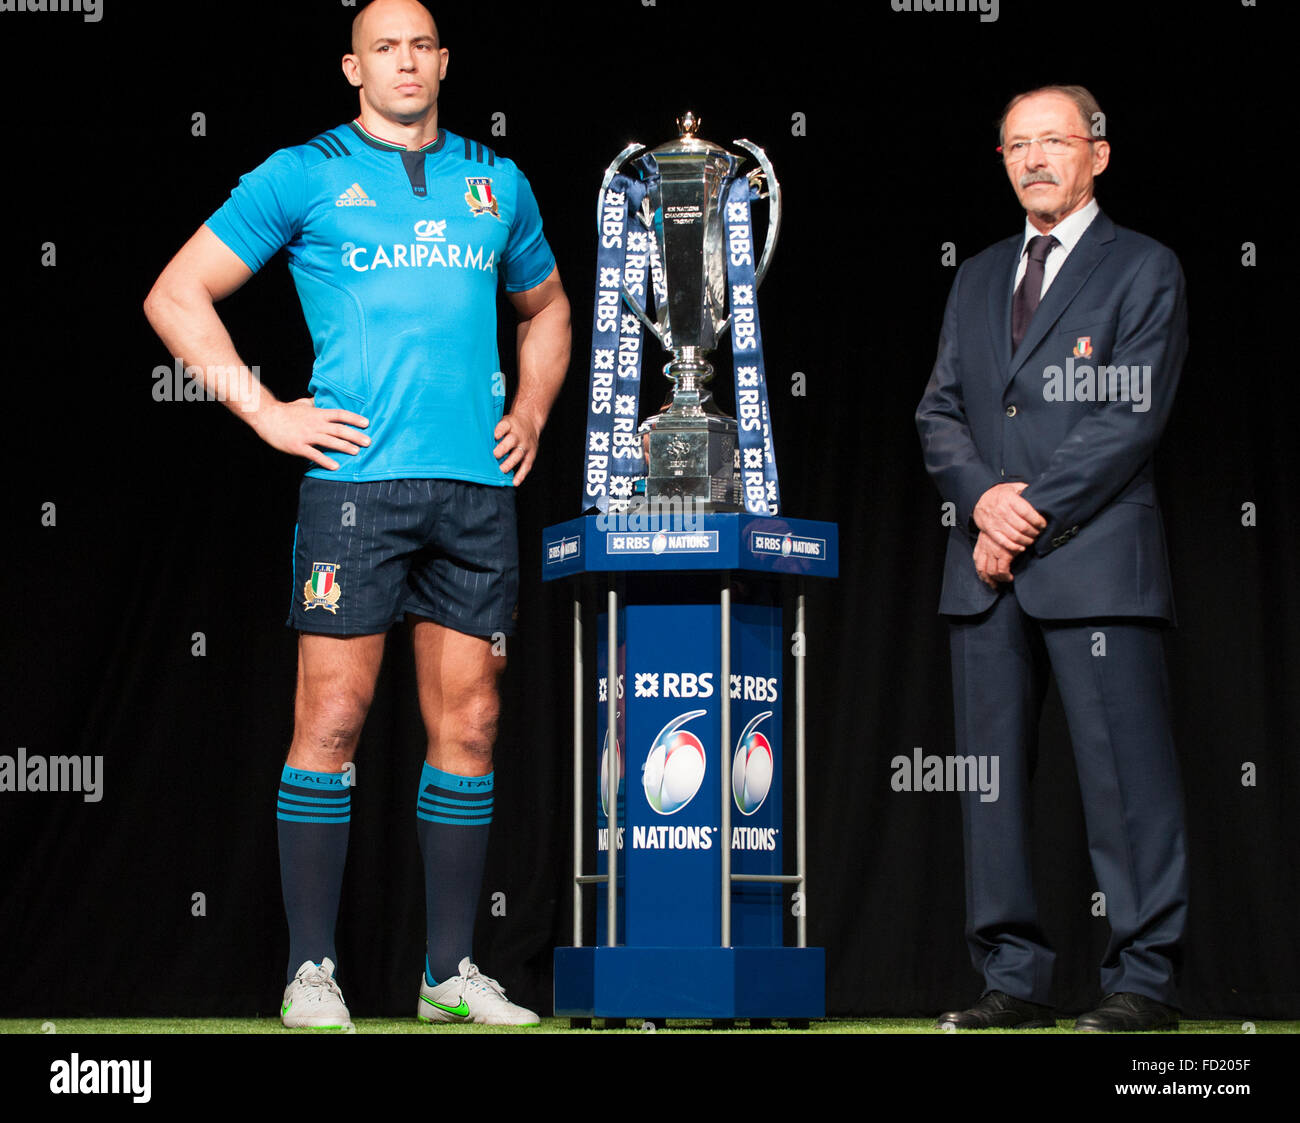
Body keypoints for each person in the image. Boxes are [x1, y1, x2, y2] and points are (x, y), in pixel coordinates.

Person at [144, 0, 570, 1028]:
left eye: (422, 44)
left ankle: (448, 974)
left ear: (444, 59)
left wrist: (531, 411)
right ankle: (311, 972)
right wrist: (264, 410)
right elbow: (174, 295)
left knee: (469, 722)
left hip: (473, 492)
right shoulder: (303, 172)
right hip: (354, 491)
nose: (406, 61)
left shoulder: (496, 179)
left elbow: (547, 307)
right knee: (329, 720)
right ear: (353, 66)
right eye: (386, 46)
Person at [915, 85, 1189, 1032]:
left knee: (1127, 783)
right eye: (1015, 146)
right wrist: (980, 500)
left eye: (1053, 142)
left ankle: (1144, 981)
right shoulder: (980, 272)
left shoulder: (1145, 267)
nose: (1033, 159)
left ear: (1098, 154)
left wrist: (1022, 512)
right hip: (982, 571)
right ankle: (1013, 980)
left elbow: (1130, 417)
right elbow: (939, 410)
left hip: (1097, 561)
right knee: (987, 788)